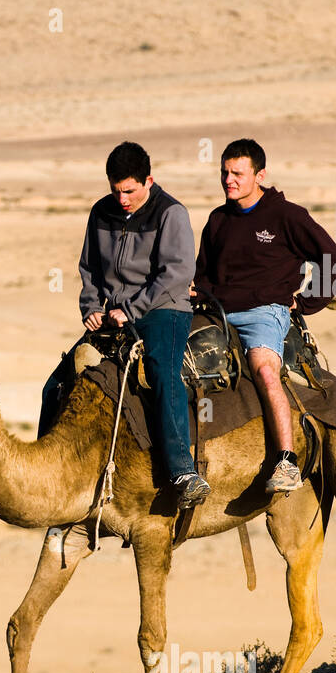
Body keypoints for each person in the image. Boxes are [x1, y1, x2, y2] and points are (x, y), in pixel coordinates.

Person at [40, 140, 209, 508]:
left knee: (163, 373)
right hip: (113, 315)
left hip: (163, 310)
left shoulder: (171, 213)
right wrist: (90, 306)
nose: (122, 199)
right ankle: (44, 471)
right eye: (115, 190)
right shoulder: (101, 213)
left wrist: (132, 309)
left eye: (129, 190)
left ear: (149, 180)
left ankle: (183, 471)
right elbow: (89, 269)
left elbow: (177, 273)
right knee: (56, 383)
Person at [192, 138, 336, 493]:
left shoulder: (287, 216)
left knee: (263, 369)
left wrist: (306, 302)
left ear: (259, 175)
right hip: (218, 314)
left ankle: (287, 461)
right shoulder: (217, 220)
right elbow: (203, 275)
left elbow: (332, 258)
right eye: (225, 173)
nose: (229, 180)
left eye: (237, 174)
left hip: (264, 312)